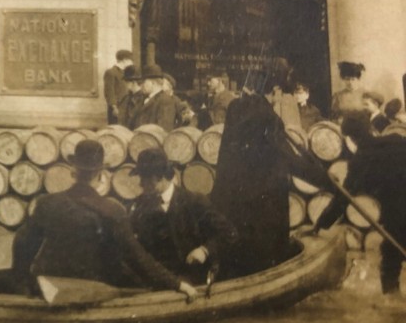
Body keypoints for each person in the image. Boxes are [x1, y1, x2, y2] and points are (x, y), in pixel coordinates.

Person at [11, 139, 199, 300]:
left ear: (74, 170)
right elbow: (137, 258)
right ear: (101, 175)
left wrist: (23, 283)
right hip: (90, 292)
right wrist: (177, 284)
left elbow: (22, 241)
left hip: (48, 289)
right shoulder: (112, 211)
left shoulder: (47, 203)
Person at [210, 67, 329, 277]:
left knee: (238, 255)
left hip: (233, 196)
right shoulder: (266, 115)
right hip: (265, 200)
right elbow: (289, 157)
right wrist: (324, 180)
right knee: (265, 257)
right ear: (273, 90)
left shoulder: (235, 108)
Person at [313, 111, 406, 294]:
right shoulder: (396, 140)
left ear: (351, 138)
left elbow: (343, 199)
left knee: (390, 259)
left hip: (397, 213)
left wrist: (321, 223)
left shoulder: (360, 162)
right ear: (370, 129)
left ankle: (393, 309)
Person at [129, 148, 237, 284]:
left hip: (191, 277)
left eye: (144, 178)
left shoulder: (194, 201)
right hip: (155, 279)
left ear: (159, 178)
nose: (140, 184)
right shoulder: (139, 206)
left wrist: (205, 250)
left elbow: (229, 233)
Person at [134, 65, 179, 132]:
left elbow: (163, 130)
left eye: (143, 82)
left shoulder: (165, 101)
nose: (141, 85)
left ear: (153, 83)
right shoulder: (142, 99)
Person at [103, 49, 134, 124]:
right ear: (124, 60)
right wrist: (114, 107)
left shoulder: (126, 72)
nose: (132, 63)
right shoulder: (111, 72)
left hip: (126, 107)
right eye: (130, 60)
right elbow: (109, 92)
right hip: (117, 108)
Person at [117, 65, 145, 130]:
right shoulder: (126, 98)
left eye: (127, 82)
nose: (125, 84)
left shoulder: (145, 99)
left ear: (133, 82)